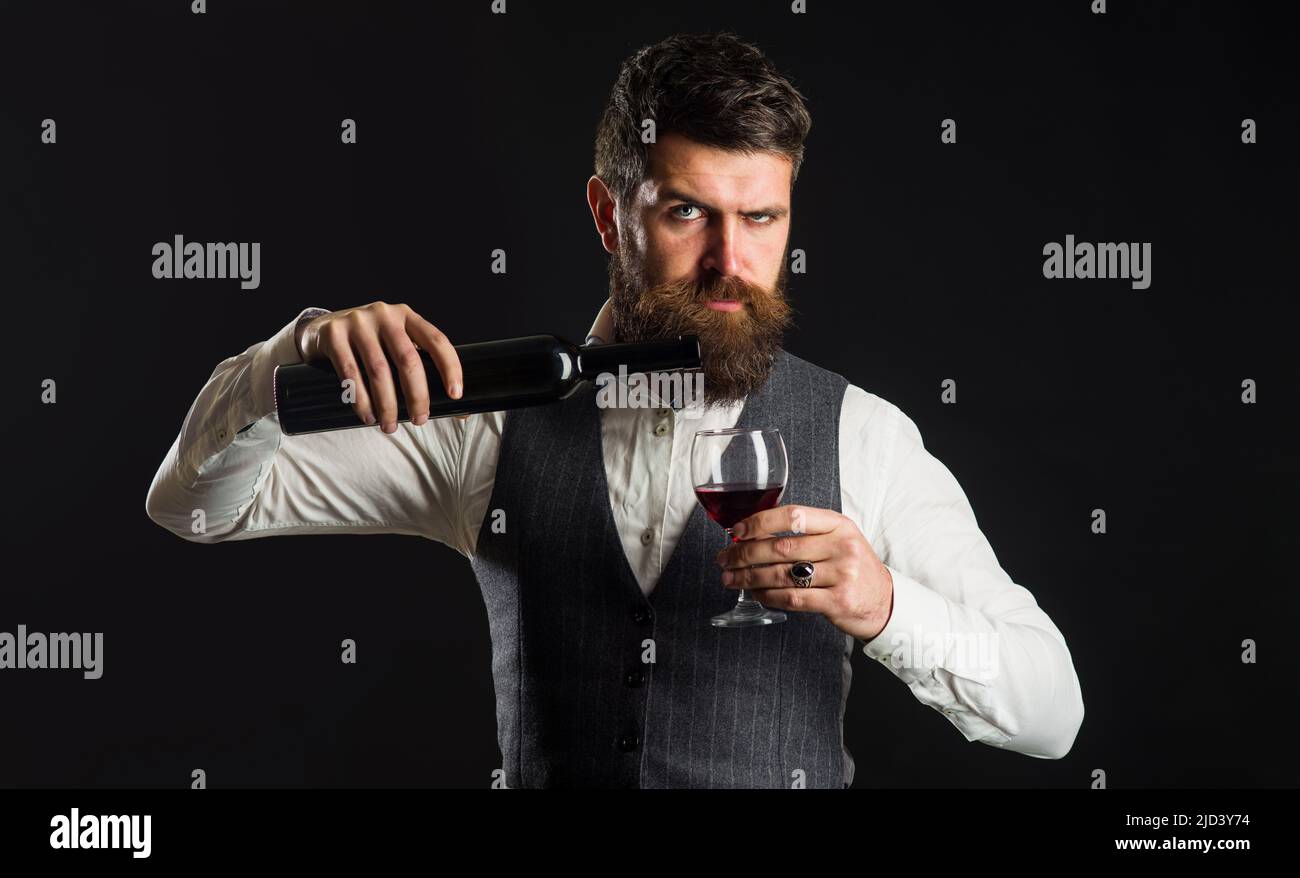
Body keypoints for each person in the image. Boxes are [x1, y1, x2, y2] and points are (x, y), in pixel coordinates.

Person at [146, 31, 1084, 788]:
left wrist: (887, 606)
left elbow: (1053, 716)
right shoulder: (488, 426)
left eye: (762, 219)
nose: (730, 259)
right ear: (609, 216)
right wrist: (282, 360)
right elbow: (193, 506)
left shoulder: (864, 438)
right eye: (688, 213)